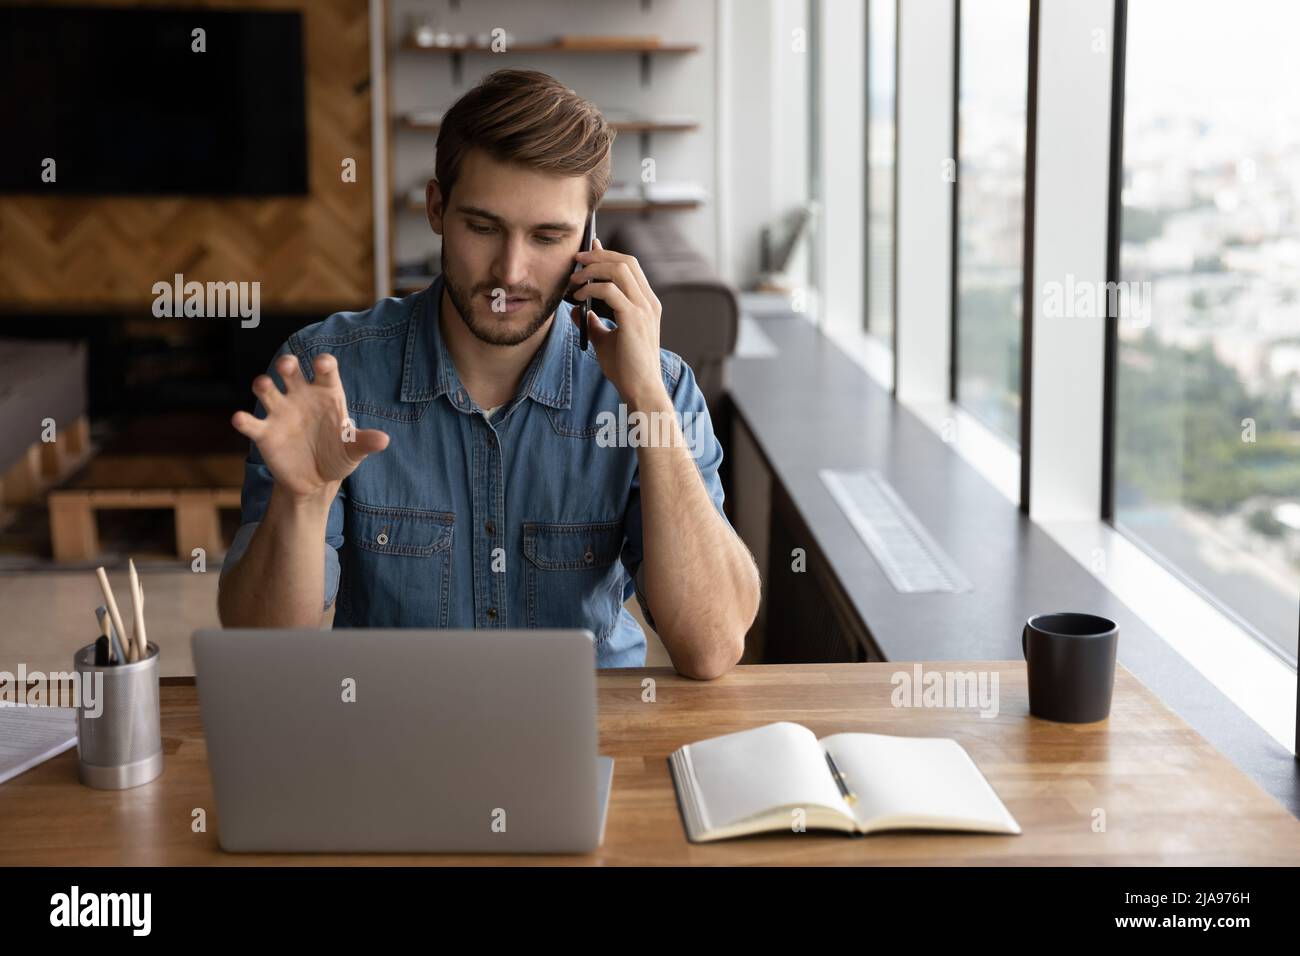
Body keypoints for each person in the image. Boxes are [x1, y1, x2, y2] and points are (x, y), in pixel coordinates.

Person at [217, 69, 760, 679]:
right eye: (483, 227)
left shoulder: (658, 387)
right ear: (437, 209)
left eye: (548, 236)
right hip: (394, 729)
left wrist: (648, 401)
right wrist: (303, 501)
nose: (511, 272)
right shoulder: (328, 376)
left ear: (589, 239)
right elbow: (260, 654)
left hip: (592, 729)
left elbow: (711, 647)